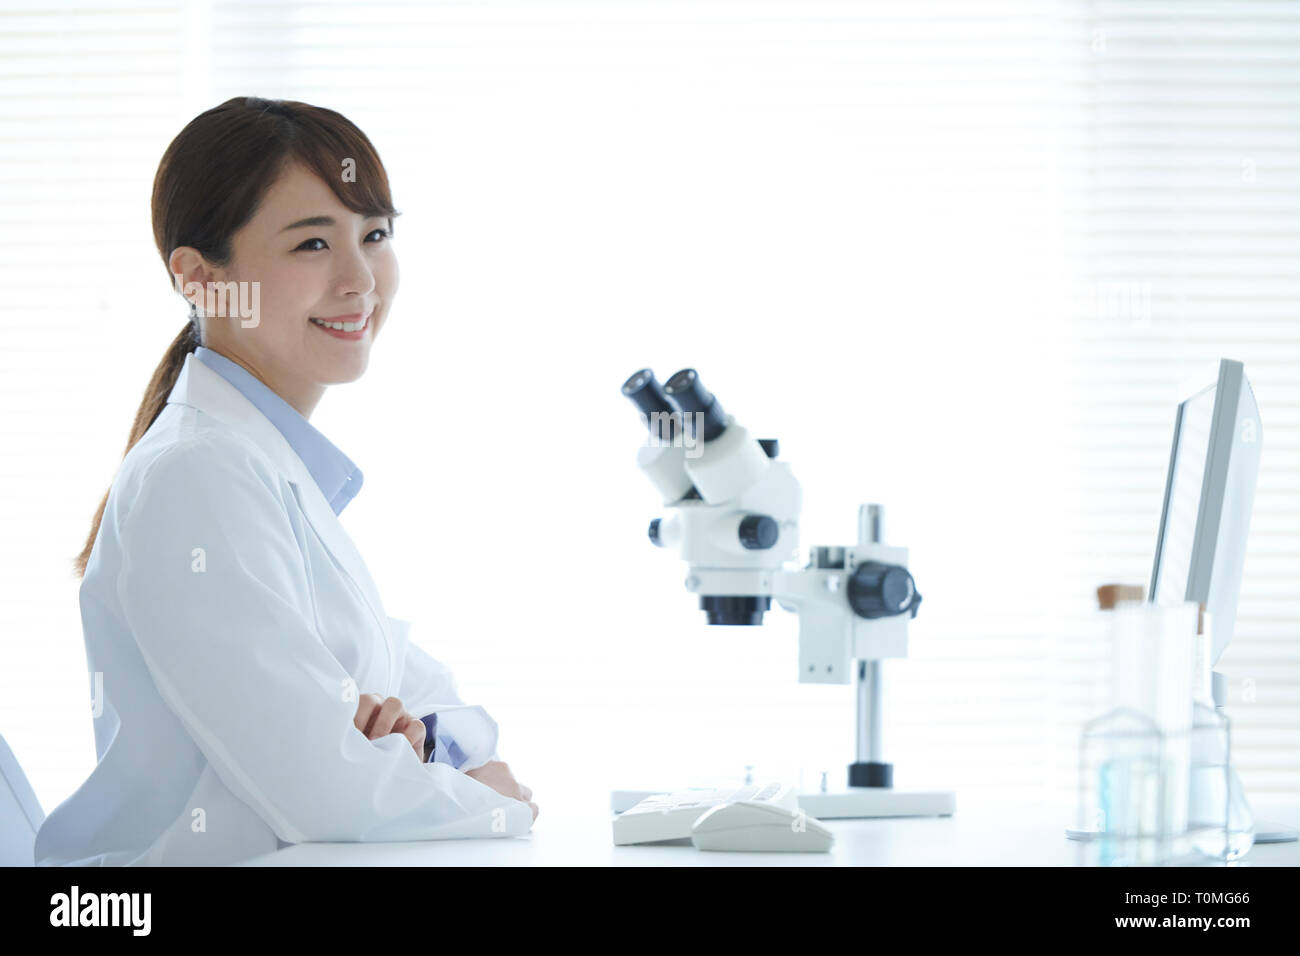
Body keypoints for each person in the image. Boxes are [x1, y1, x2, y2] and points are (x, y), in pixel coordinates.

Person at [35, 96, 536, 867]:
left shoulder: (260, 463)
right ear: (200, 278)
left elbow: (431, 700)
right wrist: (492, 803)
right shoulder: (196, 476)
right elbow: (325, 791)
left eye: (375, 235)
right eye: (312, 243)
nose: (360, 279)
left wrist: (418, 751)